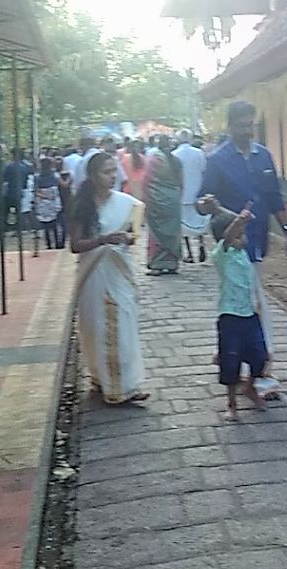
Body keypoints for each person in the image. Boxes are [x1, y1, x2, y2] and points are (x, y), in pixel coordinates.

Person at [66, 151, 150, 405]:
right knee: (97, 329)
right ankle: (104, 380)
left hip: (118, 273)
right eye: (106, 172)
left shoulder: (127, 203)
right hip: (93, 275)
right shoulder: (81, 205)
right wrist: (104, 239)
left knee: (123, 325)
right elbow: (76, 245)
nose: (112, 176)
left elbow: (133, 235)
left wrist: (126, 238)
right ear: (92, 175)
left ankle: (125, 384)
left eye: (114, 171)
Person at [197, 99, 287, 269]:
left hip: (259, 235)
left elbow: (275, 198)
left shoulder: (264, 156)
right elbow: (201, 203)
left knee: (251, 285)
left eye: (250, 125)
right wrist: (206, 204)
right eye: (241, 126)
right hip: (232, 240)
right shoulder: (217, 160)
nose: (247, 131)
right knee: (240, 288)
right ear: (230, 126)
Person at [201, 198, 273, 414]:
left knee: (260, 356)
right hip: (230, 316)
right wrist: (238, 222)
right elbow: (227, 236)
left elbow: (250, 285)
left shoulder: (242, 254)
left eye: (244, 234)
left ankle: (250, 386)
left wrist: (257, 308)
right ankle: (231, 402)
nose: (244, 238)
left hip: (249, 315)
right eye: (240, 235)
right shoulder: (221, 255)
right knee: (231, 360)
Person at [143, 136, 186, 276]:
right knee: (173, 232)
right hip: (173, 200)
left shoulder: (152, 159)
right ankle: (172, 263)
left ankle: (157, 264)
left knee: (157, 232)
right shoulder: (176, 161)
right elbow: (181, 183)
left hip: (156, 199)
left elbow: (146, 180)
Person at [171, 134, 210, 266]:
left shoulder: (174, 154)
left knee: (184, 225)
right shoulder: (199, 153)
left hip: (182, 194)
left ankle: (189, 252)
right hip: (197, 192)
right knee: (199, 222)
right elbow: (205, 171)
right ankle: (201, 246)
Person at [27, 153, 66, 250]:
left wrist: (43, 196)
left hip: (43, 203)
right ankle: (58, 243)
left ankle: (49, 244)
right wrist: (69, 178)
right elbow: (64, 185)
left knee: (46, 225)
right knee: (56, 224)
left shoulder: (37, 177)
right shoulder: (55, 176)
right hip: (54, 202)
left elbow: (35, 191)